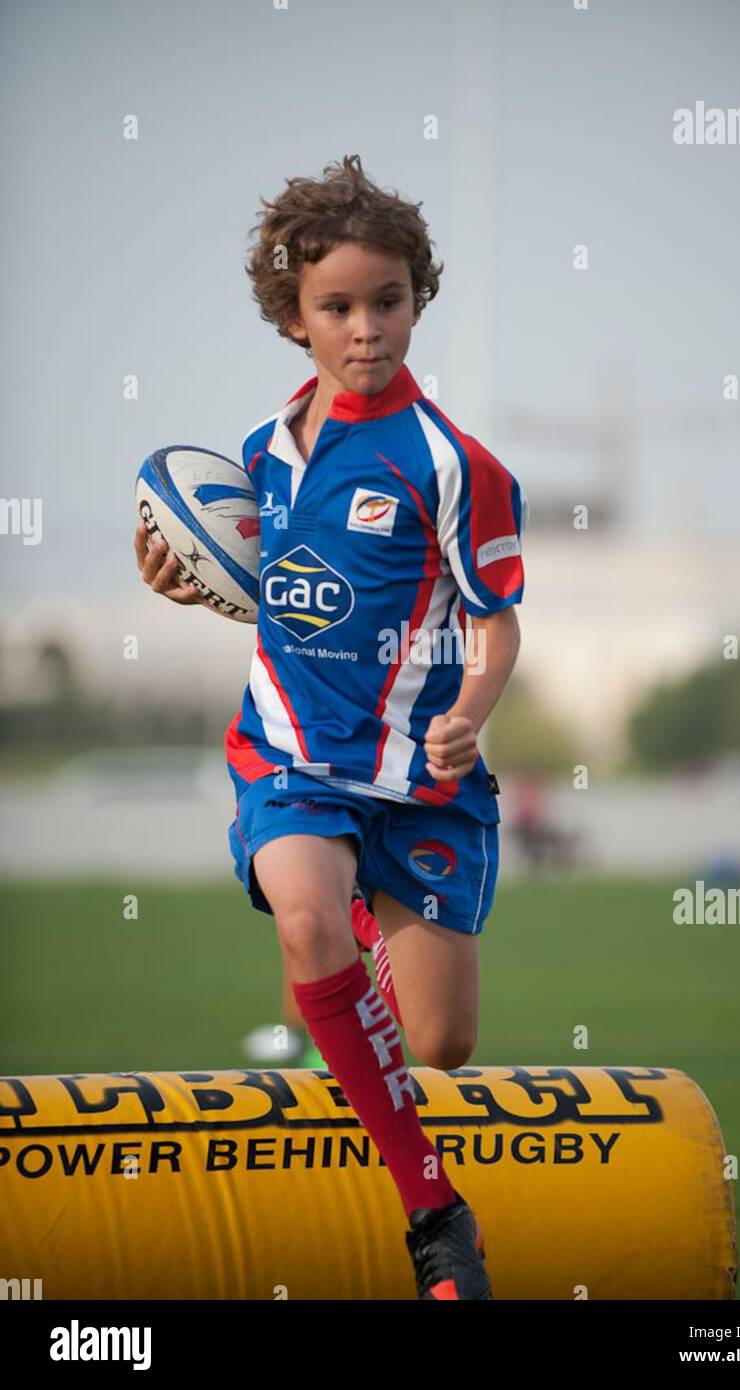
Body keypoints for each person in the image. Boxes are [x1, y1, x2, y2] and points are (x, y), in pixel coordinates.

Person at [134, 154, 527, 1300]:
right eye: (338, 307)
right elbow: (236, 579)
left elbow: (500, 628)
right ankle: (437, 1220)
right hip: (291, 758)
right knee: (310, 923)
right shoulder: (259, 456)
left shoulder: (457, 467)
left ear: (419, 297)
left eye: (389, 300)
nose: (367, 328)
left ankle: (348, 966)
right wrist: (170, 574)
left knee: (441, 1043)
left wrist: (466, 714)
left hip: (423, 776)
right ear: (292, 317)